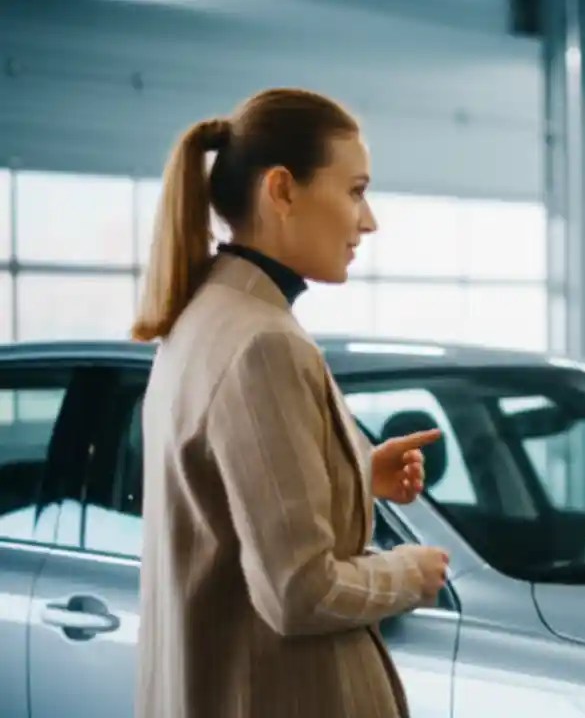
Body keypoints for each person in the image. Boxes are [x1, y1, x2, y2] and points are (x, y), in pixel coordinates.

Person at [131, 88, 450, 718]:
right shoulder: (264, 343)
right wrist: (408, 574)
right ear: (282, 191)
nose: (369, 221)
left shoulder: (202, 320)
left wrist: (354, 476)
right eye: (356, 190)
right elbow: (298, 591)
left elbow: (223, 510)